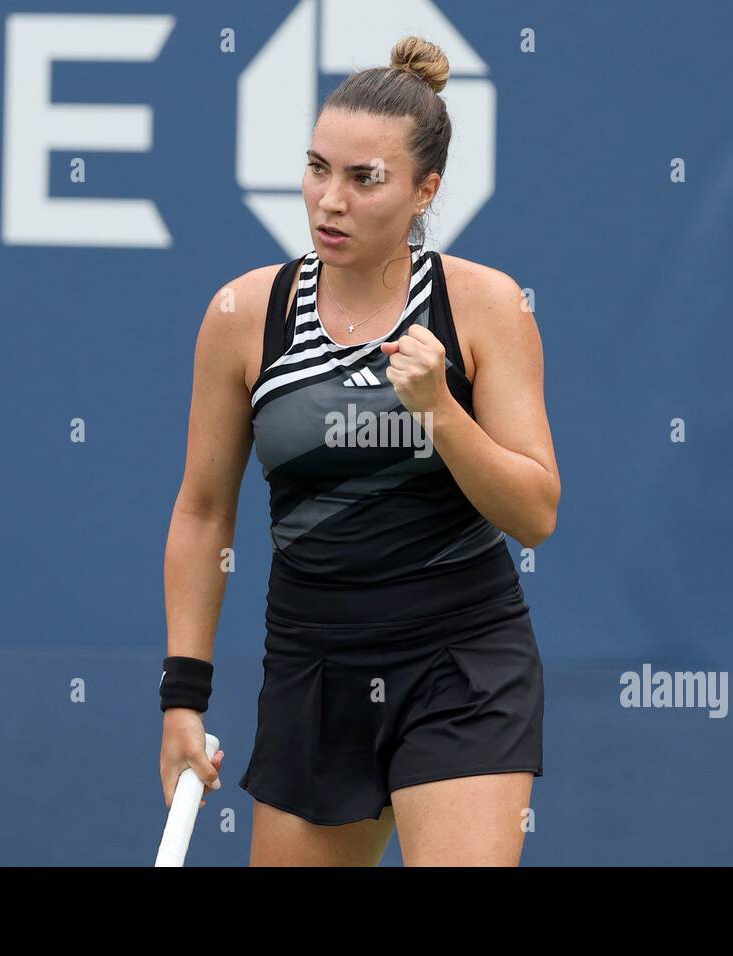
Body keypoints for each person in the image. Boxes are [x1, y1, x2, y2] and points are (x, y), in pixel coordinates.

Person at [158, 35, 560, 866]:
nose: (327, 201)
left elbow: (535, 513)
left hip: (462, 665)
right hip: (313, 669)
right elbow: (204, 512)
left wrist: (441, 411)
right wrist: (182, 699)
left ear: (425, 191)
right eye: (316, 168)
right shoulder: (242, 315)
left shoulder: (482, 305)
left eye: (363, 178)